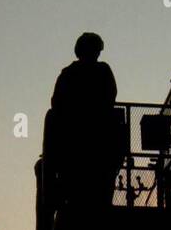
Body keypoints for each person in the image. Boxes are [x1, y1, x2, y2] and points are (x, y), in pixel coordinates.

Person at [48, 32, 121, 208]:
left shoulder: (67, 74)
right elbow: (111, 96)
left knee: (76, 200)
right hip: (97, 147)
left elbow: (56, 104)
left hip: (73, 149)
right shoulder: (102, 71)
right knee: (99, 199)